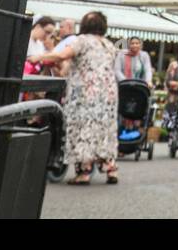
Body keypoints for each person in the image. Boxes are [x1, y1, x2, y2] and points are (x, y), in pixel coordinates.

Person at [28, 11, 120, 185]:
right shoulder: (109, 45)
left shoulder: (82, 40)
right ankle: (111, 168)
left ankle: (84, 172)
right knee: (104, 130)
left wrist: (38, 57)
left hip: (85, 93)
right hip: (108, 94)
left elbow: (63, 55)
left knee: (83, 129)